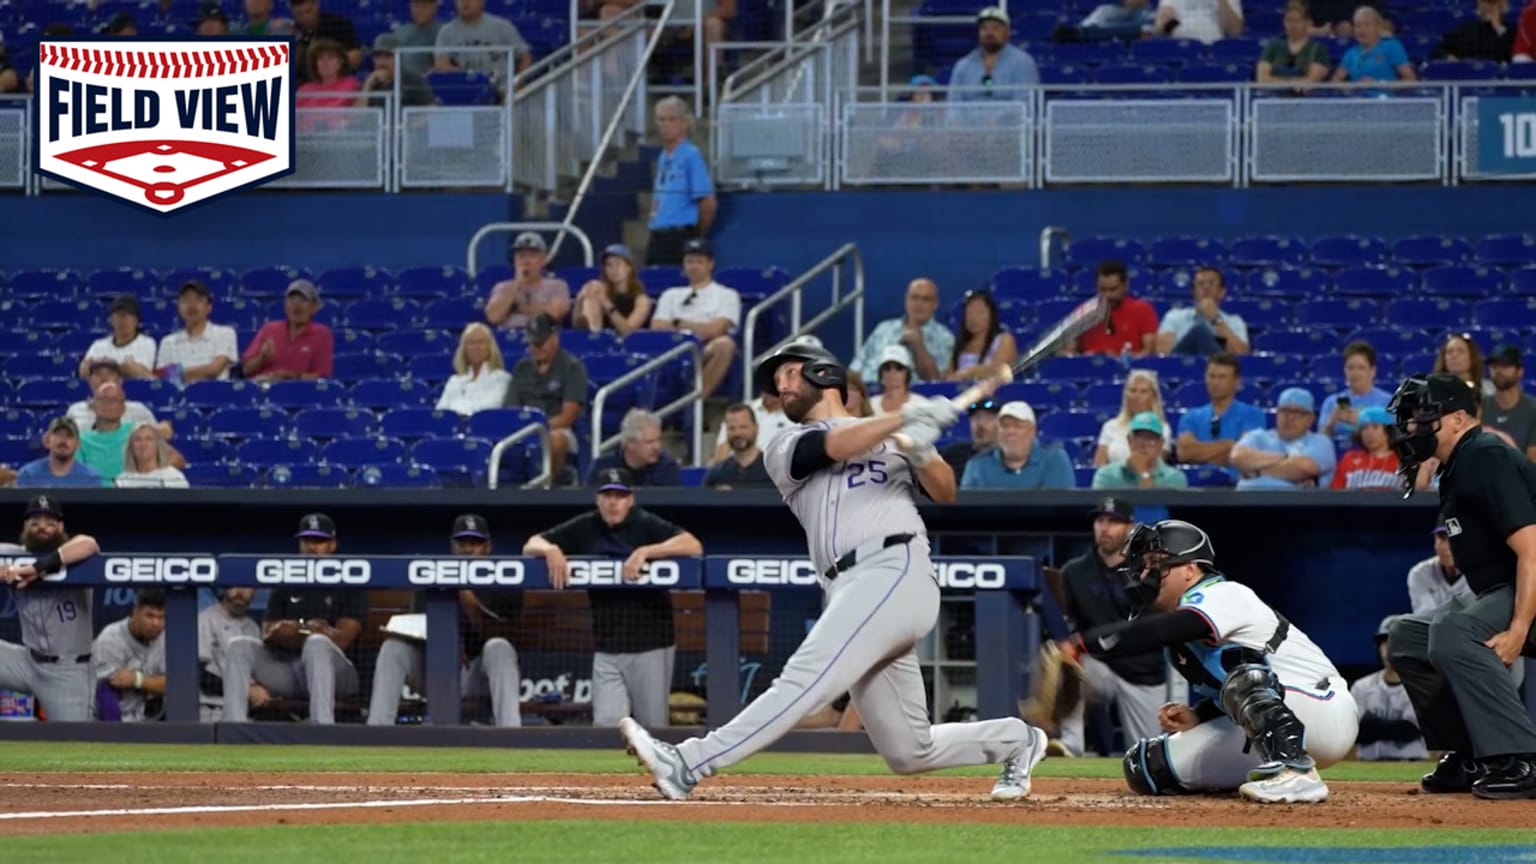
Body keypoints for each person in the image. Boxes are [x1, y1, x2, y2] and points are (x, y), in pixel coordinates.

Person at [617, 342, 1046, 802]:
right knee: (908, 750)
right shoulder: (783, 445)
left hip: (894, 569)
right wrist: (905, 419)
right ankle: (1018, 740)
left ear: (824, 373)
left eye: (789, 374)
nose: (780, 387)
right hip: (846, 585)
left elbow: (945, 492)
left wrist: (921, 449)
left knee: (804, 680)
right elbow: (832, 443)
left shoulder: (894, 441)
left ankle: (686, 763)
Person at [1076, 519, 1358, 803]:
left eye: (1156, 562)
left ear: (1190, 569)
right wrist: (1199, 715)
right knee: (1147, 766)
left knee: (1244, 679)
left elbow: (1164, 630)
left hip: (1324, 709)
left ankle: (1296, 773)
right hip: (1276, 717)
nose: (1146, 572)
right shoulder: (1181, 636)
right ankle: (1270, 774)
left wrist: (1083, 643)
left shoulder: (1223, 593)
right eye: (1144, 564)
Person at [1384, 373, 1536, 799]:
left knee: (1453, 631)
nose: (1412, 429)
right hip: (1502, 588)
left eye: (1420, 418)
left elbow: (1532, 550)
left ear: (1455, 419)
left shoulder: (1485, 455)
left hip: (1529, 581)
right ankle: (1470, 754)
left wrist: (1519, 629)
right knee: (1407, 635)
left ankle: (1521, 759)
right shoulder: (1457, 466)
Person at [524, 469, 703, 728]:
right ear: (598, 499)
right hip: (607, 647)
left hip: (651, 645)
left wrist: (647, 551)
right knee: (606, 726)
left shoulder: (644, 523)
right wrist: (550, 549)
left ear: (630, 500)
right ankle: (613, 772)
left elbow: (693, 545)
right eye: (607, 495)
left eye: (619, 496)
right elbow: (530, 544)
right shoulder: (586, 526)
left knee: (653, 726)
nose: (613, 502)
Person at [368, 514, 523, 727]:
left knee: (499, 647)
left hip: (477, 675)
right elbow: (419, 629)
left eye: (475, 543)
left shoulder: (504, 580)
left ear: (488, 547)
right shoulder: (433, 577)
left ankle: (510, 734)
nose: (468, 549)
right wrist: (441, 646)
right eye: (462, 543)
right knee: (392, 647)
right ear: (452, 545)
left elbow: (501, 636)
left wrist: (464, 593)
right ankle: (378, 731)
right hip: (437, 672)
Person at [1055, 498, 1177, 758]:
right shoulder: (1075, 572)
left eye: (1113, 521)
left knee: (1149, 755)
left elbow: (1155, 624)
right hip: (1102, 667)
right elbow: (1070, 624)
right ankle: (1070, 744)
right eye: (1100, 520)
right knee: (1066, 659)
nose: (1105, 528)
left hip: (1144, 672)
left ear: (1130, 528)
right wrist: (1068, 648)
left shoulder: (1149, 569)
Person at [221, 514, 365, 725]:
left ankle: (323, 728)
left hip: (339, 675)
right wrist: (294, 630)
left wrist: (301, 632)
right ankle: (233, 727)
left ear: (333, 544)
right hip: (290, 671)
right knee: (239, 646)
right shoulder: (287, 579)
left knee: (317, 644)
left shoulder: (349, 581)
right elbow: (268, 634)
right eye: (307, 541)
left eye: (319, 541)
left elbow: (343, 639)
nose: (312, 547)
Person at [0, 496, 104, 722]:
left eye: (50, 522)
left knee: (74, 743)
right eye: (35, 522)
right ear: (25, 527)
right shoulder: (14, 554)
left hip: (68, 671)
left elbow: (90, 543)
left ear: (61, 527)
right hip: (26, 662)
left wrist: (38, 568)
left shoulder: (76, 556)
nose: (42, 527)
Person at [1351, 615, 1427, 761]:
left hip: (1411, 765)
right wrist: (1392, 727)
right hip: (1367, 765)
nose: (1389, 648)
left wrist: (1372, 724)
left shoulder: (1420, 686)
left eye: (1396, 642)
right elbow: (1354, 734)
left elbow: (1408, 732)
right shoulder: (1361, 687)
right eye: (1385, 642)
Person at [92, 589, 166, 723]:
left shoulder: (166, 638)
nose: (155, 623)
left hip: (150, 720)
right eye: (150, 616)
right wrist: (116, 733)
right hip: (109, 720)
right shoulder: (111, 638)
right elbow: (104, 693)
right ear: (135, 612)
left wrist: (137, 680)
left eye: (161, 617)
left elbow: (173, 685)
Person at [573, 244, 652, 336]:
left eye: (618, 264)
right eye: (609, 265)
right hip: (601, 339)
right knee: (592, 293)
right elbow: (577, 326)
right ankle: (595, 337)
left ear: (628, 267)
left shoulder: (641, 299)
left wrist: (606, 303)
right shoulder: (600, 290)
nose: (614, 270)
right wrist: (579, 300)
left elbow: (628, 332)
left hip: (626, 345)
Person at [1329, 406, 1399, 491]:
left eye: (1375, 427)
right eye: (1364, 428)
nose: (1369, 433)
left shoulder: (1403, 461)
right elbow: (1335, 494)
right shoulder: (1349, 459)